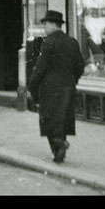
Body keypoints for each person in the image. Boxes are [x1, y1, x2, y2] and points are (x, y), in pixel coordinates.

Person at [28, 9, 85, 164]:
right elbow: (80, 65)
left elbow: (40, 68)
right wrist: (74, 79)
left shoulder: (49, 43)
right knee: (63, 119)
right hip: (68, 86)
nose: (44, 28)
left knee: (48, 119)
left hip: (50, 88)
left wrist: (32, 86)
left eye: (45, 24)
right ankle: (59, 152)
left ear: (53, 25)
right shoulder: (72, 42)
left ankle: (59, 145)